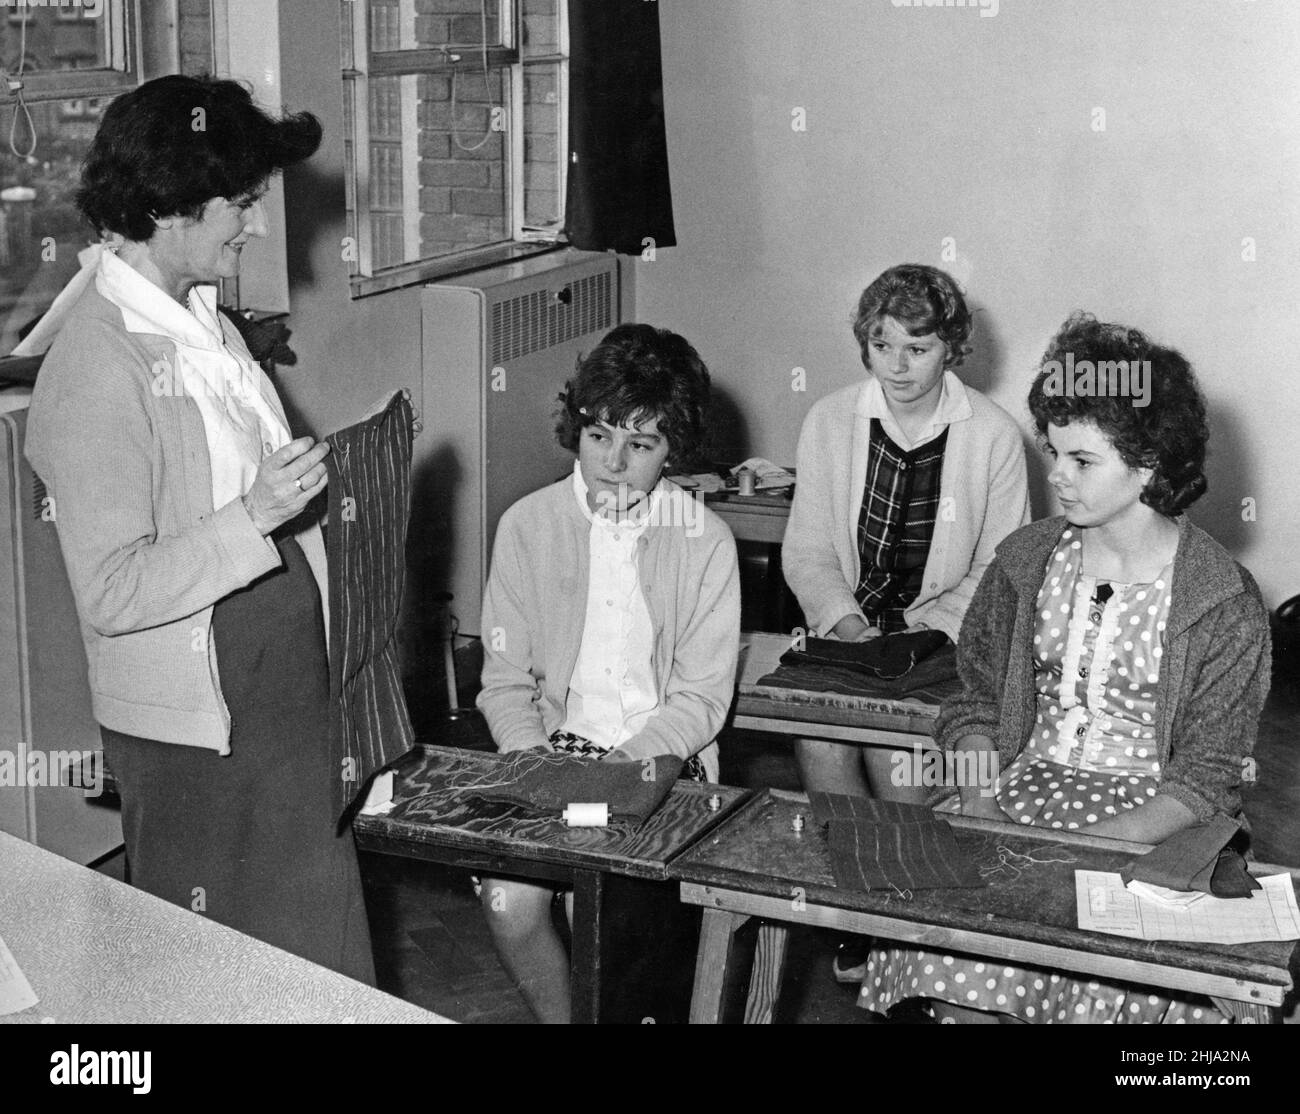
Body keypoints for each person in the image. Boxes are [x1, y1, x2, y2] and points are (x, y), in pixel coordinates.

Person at [25, 76, 374, 982]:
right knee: (218, 975)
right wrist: (255, 514)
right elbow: (111, 590)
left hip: (281, 685)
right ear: (169, 206)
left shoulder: (201, 321)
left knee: (315, 957)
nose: (255, 224)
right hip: (201, 718)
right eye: (242, 202)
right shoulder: (97, 364)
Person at [858, 313, 1271, 1023]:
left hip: (1150, 825)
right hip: (1014, 794)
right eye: (1053, 451)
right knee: (950, 959)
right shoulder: (1025, 563)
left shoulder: (1220, 599)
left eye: (1082, 461)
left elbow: (1207, 776)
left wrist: (1077, 853)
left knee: (1116, 983)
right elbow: (976, 704)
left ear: (1148, 466)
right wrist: (984, 798)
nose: (1056, 476)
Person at [475, 323, 740, 1023]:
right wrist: (535, 765)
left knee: (609, 908)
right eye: (600, 436)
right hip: (553, 752)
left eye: (642, 444)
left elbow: (700, 698)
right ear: (578, 429)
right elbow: (504, 681)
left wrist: (622, 771)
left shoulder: (705, 539)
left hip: (661, 760)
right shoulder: (527, 526)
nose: (614, 463)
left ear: (673, 450)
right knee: (510, 902)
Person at [783, 264, 1030, 804]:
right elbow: (808, 551)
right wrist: (849, 627)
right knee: (820, 745)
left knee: (896, 758)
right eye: (881, 344)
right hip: (846, 636)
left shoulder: (995, 436)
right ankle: (847, 880)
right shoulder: (828, 420)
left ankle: (911, 881)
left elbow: (1000, 571)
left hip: (944, 644)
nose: (896, 366)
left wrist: (924, 637)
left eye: (917, 349)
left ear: (950, 349)